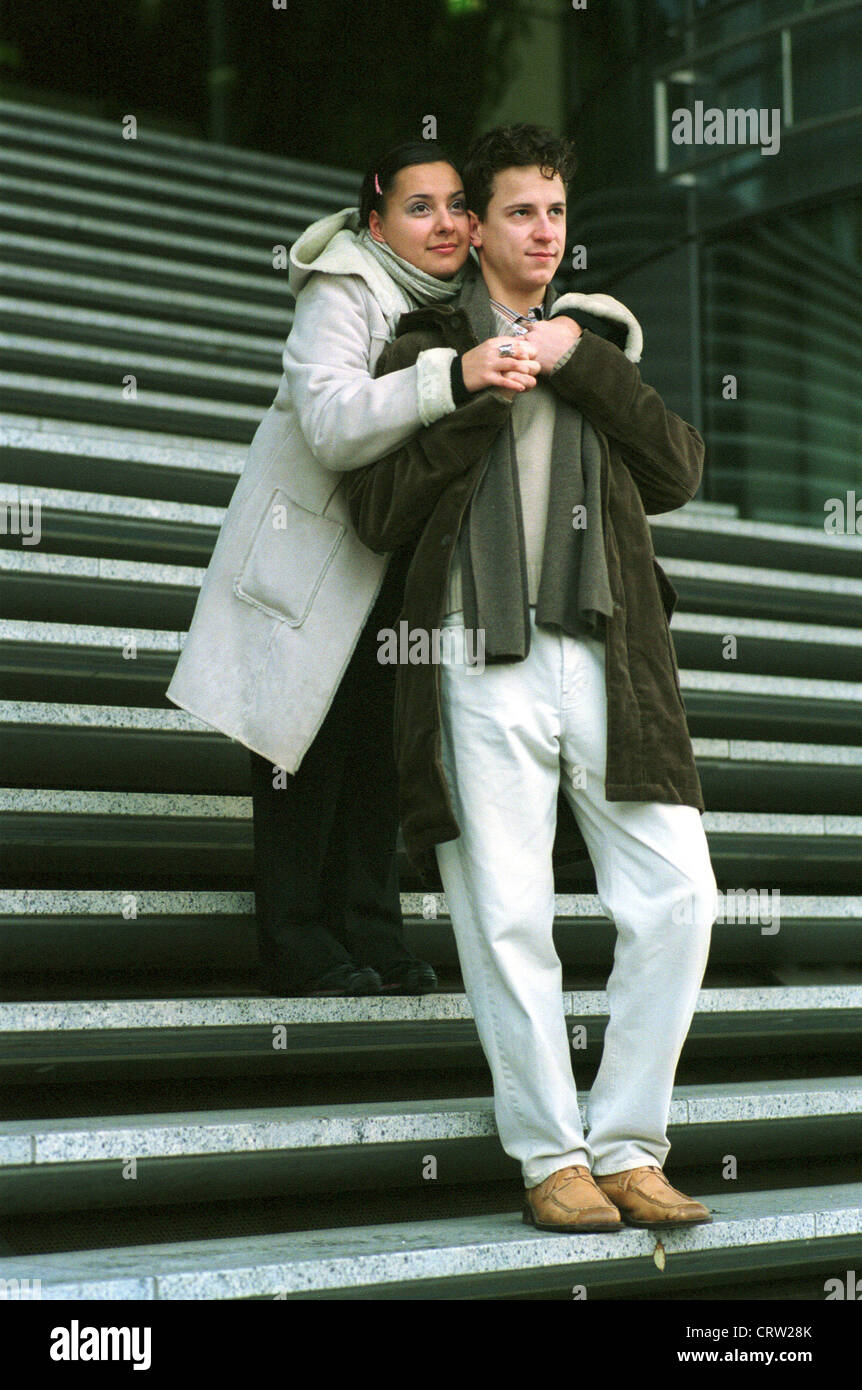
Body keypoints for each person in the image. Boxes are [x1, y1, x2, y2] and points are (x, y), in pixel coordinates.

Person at [344, 124, 719, 1228]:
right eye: (520, 212)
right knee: (506, 913)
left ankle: (630, 1144)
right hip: (472, 652)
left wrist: (575, 360)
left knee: (680, 894)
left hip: (610, 656)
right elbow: (373, 507)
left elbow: (679, 470)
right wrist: (475, 396)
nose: (543, 232)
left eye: (555, 212)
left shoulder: (599, 338)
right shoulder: (422, 342)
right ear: (476, 227)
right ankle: (551, 1159)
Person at [166, 141, 536, 997]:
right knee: (305, 759)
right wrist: (455, 374)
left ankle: (373, 930)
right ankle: (299, 942)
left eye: (454, 205)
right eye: (418, 207)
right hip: (314, 565)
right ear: (376, 223)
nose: (443, 223)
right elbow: (330, 420)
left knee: (380, 757)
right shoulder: (345, 287)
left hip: (395, 571)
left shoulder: (461, 300)